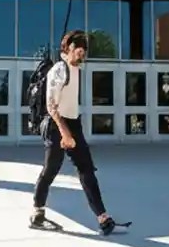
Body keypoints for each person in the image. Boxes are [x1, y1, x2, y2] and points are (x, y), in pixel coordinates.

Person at [29, 30, 129, 236]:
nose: (81, 55)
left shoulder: (77, 69)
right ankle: (37, 214)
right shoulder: (59, 69)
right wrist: (65, 133)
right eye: (78, 51)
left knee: (87, 170)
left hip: (73, 123)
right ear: (68, 49)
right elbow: (51, 105)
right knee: (50, 170)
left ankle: (104, 219)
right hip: (56, 124)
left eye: (83, 51)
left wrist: (72, 130)